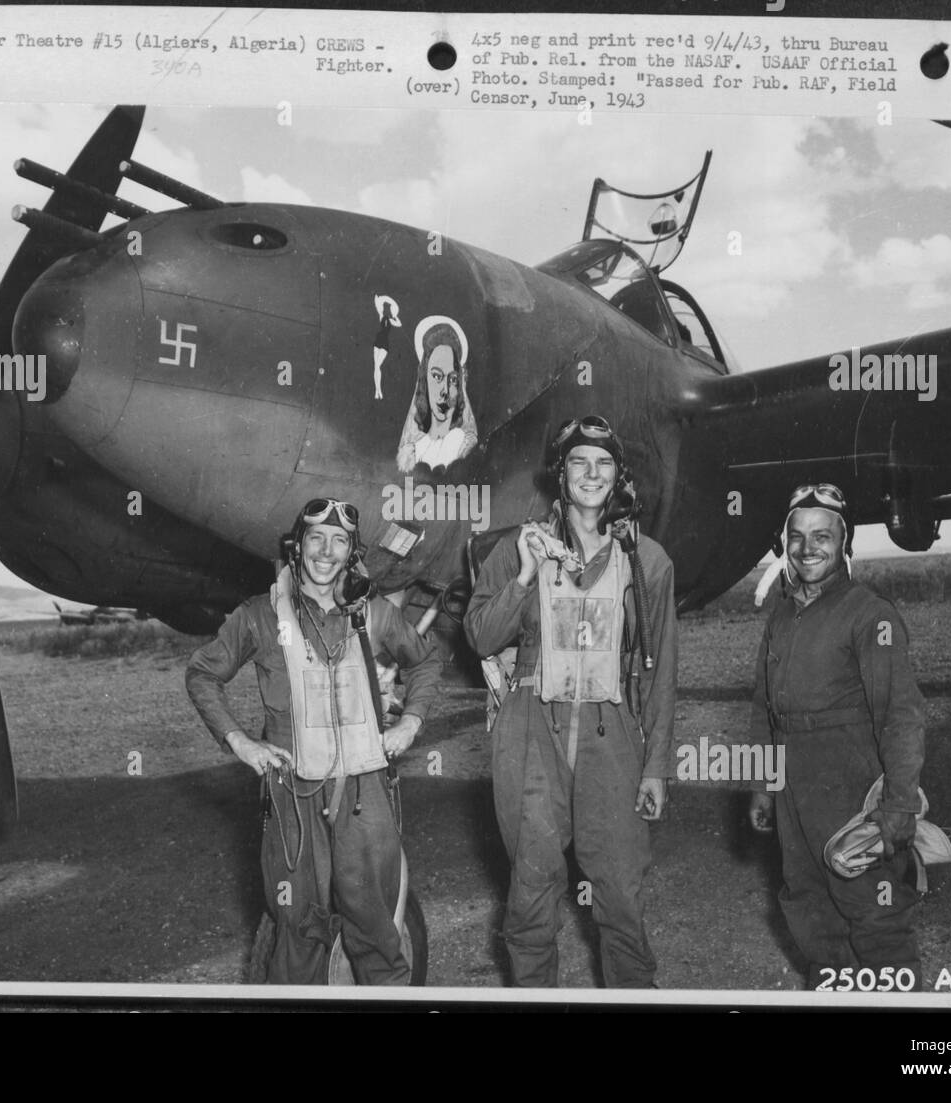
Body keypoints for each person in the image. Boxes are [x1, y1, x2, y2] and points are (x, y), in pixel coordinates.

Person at [186, 498, 442, 985]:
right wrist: (240, 742)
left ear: (351, 552)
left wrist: (410, 722)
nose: (326, 551)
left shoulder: (374, 614)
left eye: (339, 540)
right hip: (292, 796)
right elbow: (202, 674)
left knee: (377, 928)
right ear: (297, 548)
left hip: (365, 791)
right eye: (316, 539)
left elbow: (426, 662)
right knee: (297, 931)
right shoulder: (260, 616)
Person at [465, 415, 678, 987]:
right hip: (531, 727)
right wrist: (525, 576)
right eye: (578, 462)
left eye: (603, 463)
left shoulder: (648, 562)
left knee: (620, 895)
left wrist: (656, 766)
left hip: (612, 734)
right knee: (531, 895)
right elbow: (481, 636)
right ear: (560, 474)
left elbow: (659, 674)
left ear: (618, 476)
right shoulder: (517, 547)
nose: (591, 473)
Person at [747, 483, 926, 990]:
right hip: (792, 784)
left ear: (845, 544)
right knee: (809, 911)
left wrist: (898, 802)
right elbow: (764, 706)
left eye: (822, 536)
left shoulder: (871, 614)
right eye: (798, 536)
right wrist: (762, 783)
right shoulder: (782, 612)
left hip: (849, 781)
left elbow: (902, 714)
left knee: (873, 912)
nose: (808, 548)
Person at [396, 315, 478, 473]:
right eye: (437, 376)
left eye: (453, 379)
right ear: (424, 381)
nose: (445, 391)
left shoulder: (462, 444)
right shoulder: (414, 450)